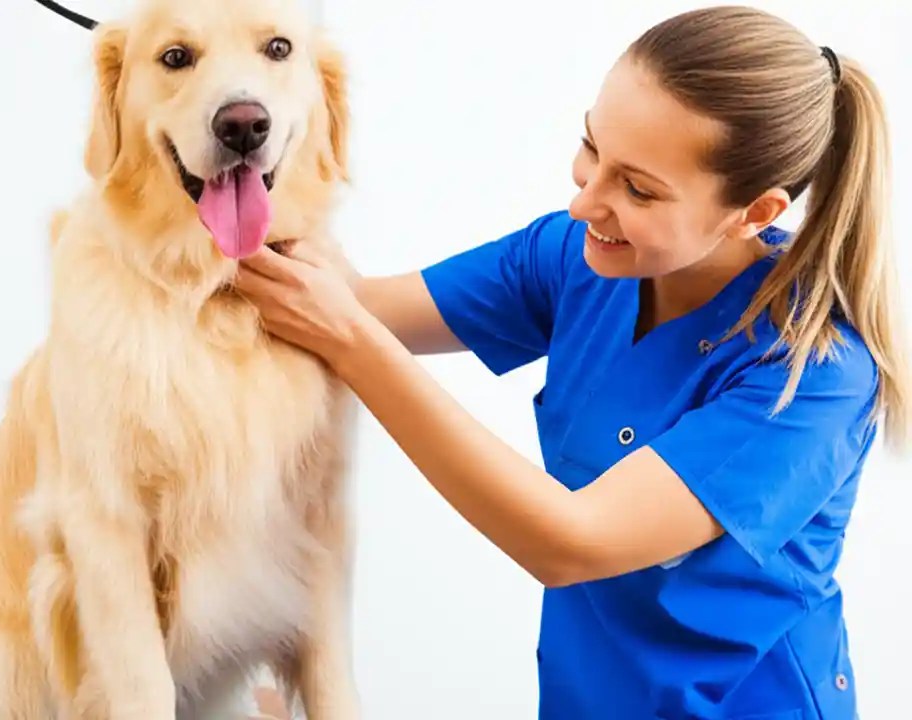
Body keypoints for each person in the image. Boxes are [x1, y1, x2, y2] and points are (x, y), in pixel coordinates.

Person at [234, 5, 908, 719]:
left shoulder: (813, 377)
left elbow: (568, 542)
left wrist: (348, 338)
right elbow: (358, 304)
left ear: (754, 212)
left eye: (639, 189)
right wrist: (242, 174)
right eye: (592, 148)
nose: (585, 201)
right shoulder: (578, 258)